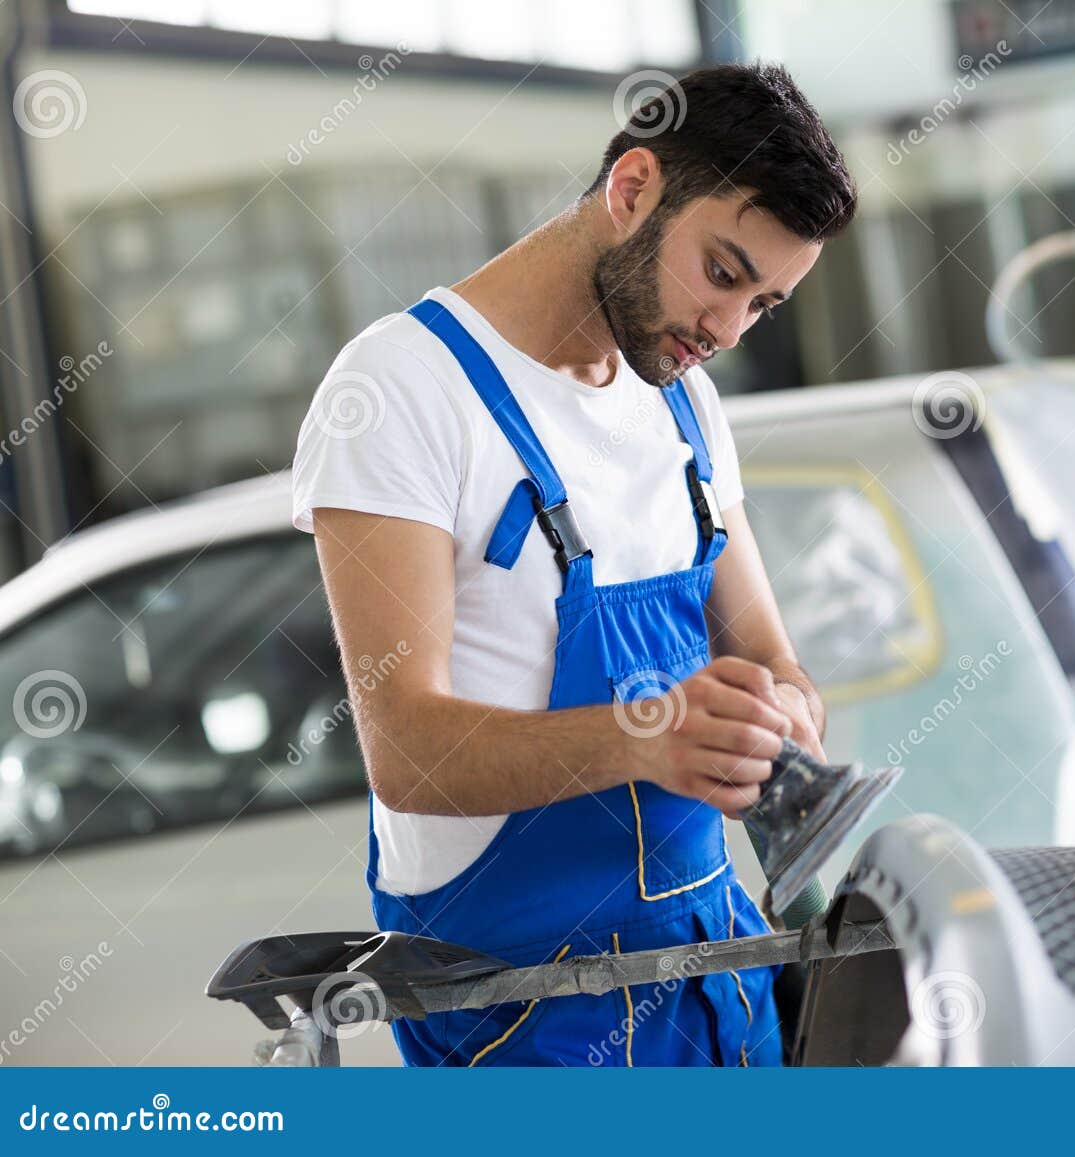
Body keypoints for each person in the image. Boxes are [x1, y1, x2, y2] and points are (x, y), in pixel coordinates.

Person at [290, 62, 856, 1067]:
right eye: (722, 273)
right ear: (632, 188)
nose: (726, 332)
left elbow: (769, 653)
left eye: (763, 304)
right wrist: (647, 736)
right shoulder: (402, 389)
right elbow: (405, 750)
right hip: (526, 1016)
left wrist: (783, 718)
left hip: (718, 977)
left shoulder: (681, 402)